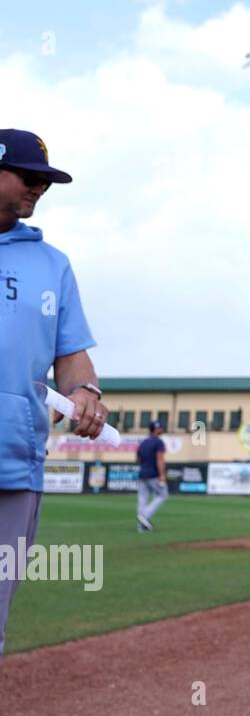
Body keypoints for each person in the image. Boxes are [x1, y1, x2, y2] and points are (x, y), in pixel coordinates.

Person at [0, 129, 107, 657]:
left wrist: (84, 390)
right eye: (29, 175)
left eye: (47, 179)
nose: (41, 186)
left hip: (14, 467)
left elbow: (70, 355)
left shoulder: (52, 264)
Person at [135, 420, 167, 532]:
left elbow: (138, 459)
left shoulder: (143, 442)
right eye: (160, 428)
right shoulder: (158, 442)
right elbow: (160, 459)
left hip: (142, 472)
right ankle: (145, 516)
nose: (161, 429)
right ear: (156, 429)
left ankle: (141, 526)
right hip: (153, 474)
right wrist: (162, 475)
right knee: (162, 495)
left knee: (142, 498)